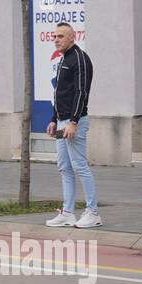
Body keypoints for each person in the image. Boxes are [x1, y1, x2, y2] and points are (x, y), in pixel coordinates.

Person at [44, 22, 100, 229]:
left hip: (74, 122)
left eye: (60, 36)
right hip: (62, 121)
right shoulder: (64, 59)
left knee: (79, 166)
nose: (56, 39)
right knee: (64, 167)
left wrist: (74, 121)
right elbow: (60, 93)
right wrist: (53, 119)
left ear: (72, 38)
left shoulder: (79, 59)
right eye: (54, 36)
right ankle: (67, 212)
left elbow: (80, 92)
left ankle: (93, 212)